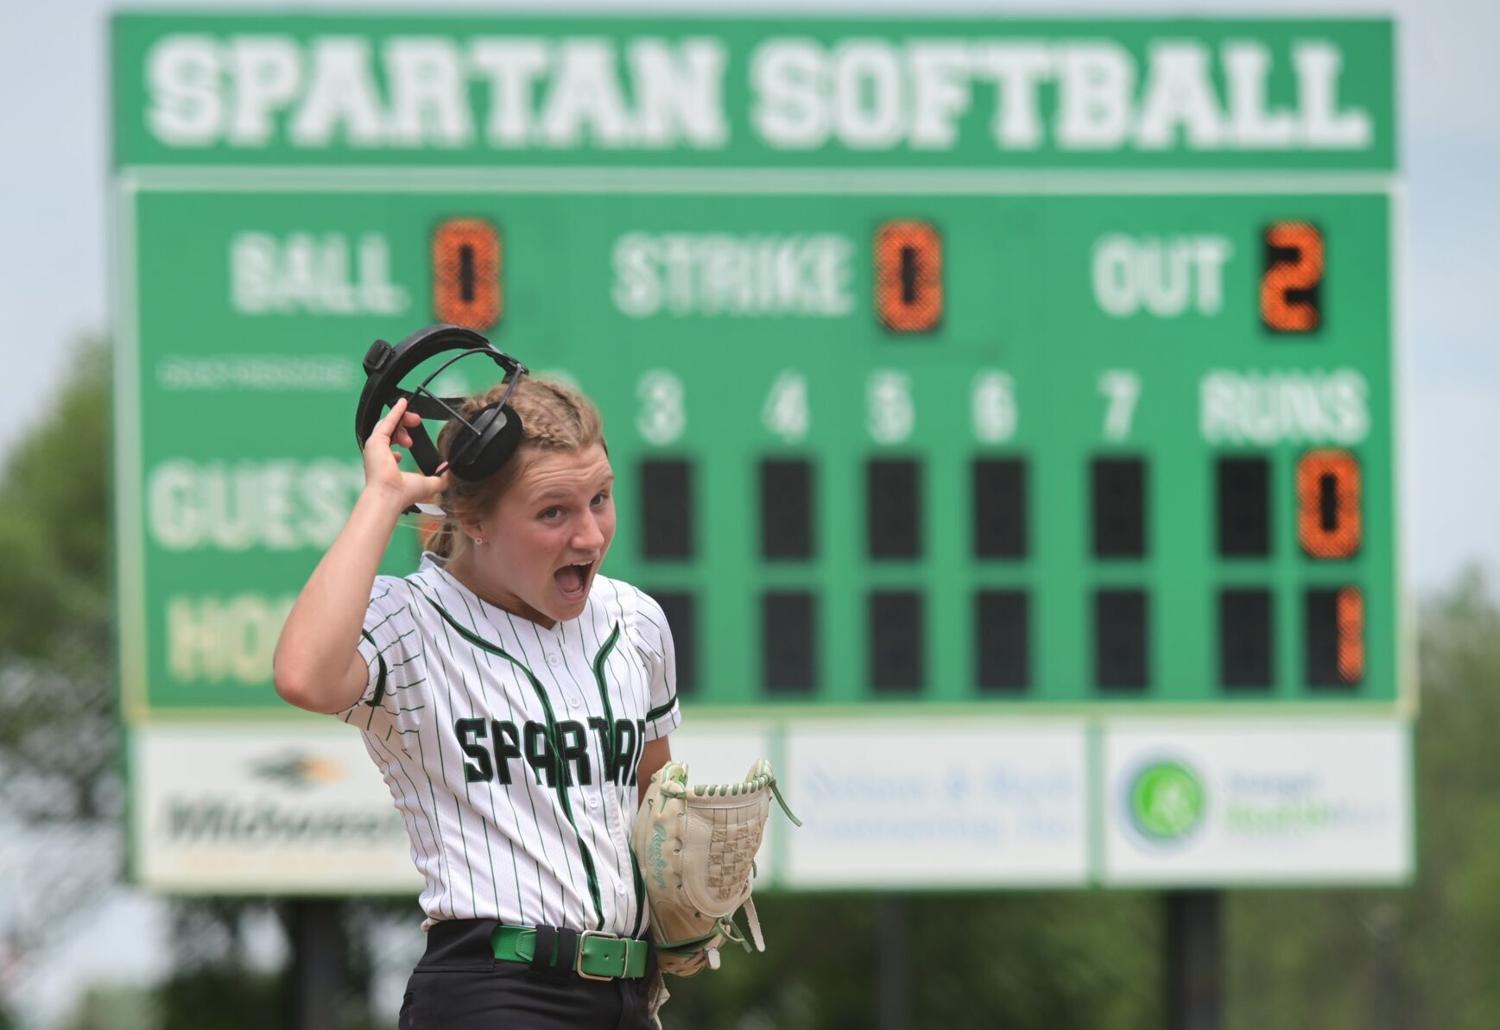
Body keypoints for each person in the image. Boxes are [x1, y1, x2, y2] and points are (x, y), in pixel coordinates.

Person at [273, 374, 679, 1029]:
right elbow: (304, 676)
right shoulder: (410, 619)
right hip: (494, 991)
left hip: (627, 995)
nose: (589, 536)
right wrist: (383, 498)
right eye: (554, 512)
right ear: (473, 518)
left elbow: (654, 788)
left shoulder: (635, 622)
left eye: (599, 498)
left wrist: (680, 875)